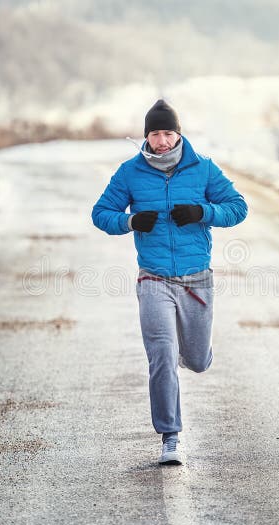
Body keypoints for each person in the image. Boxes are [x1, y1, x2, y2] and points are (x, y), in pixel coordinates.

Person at [91, 99, 248, 465]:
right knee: (161, 354)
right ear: (146, 136)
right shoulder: (130, 173)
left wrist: (204, 212)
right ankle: (170, 436)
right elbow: (101, 213)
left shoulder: (204, 169)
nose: (161, 141)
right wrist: (130, 222)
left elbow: (238, 207)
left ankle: (191, 351)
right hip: (153, 278)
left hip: (196, 280)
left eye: (167, 133)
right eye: (154, 134)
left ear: (178, 134)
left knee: (195, 360)